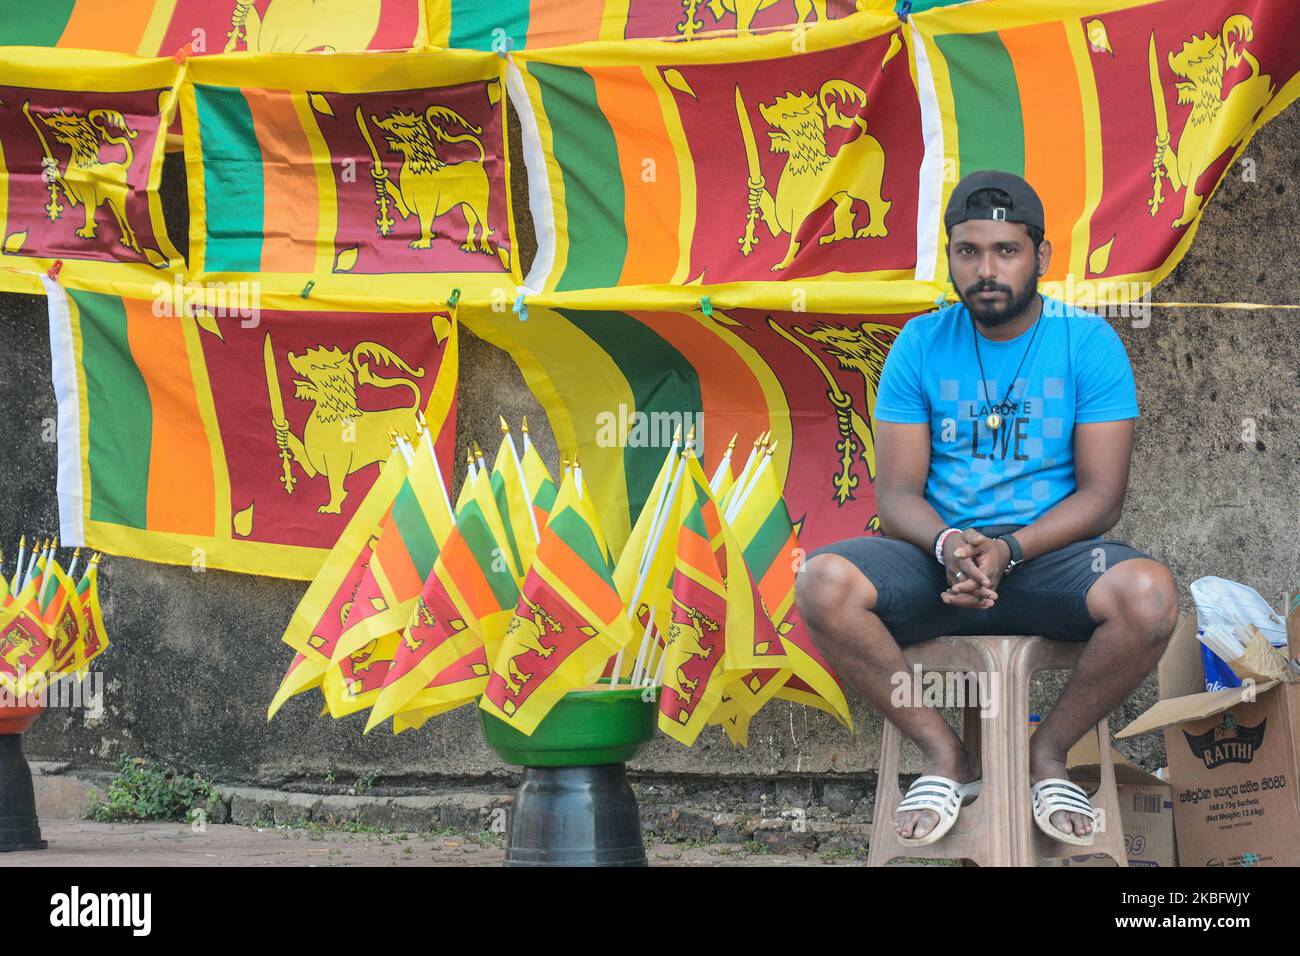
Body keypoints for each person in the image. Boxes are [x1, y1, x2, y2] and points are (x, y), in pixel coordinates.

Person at [795, 170, 1179, 849]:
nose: (986, 269)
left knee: (1149, 598)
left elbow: (1102, 496)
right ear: (949, 258)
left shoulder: (1087, 345)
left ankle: (1048, 753)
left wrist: (1012, 550)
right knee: (823, 583)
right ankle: (944, 755)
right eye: (968, 252)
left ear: (1042, 257)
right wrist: (950, 545)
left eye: (1006, 250)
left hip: (1047, 559)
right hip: (937, 559)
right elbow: (897, 499)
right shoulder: (920, 343)